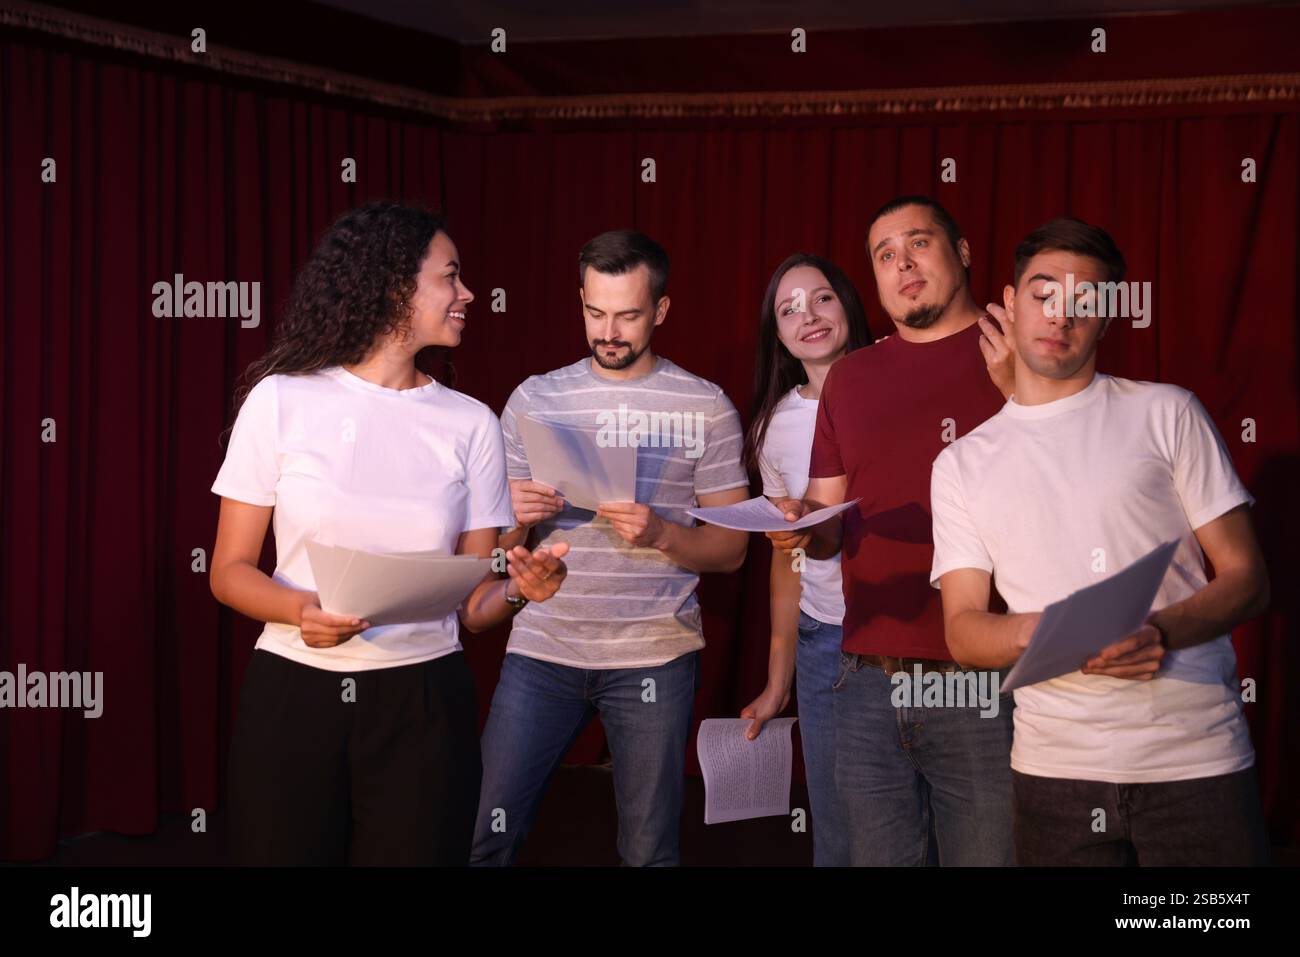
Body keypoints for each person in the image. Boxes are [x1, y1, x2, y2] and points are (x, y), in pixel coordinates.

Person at [209, 201, 569, 866]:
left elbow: (473, 607)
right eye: (451, 277)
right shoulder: (282, 399)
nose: (467, 294)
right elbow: (228, 570)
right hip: (294, 691)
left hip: (426, 701)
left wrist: (524, 591)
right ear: (392, 285)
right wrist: (299, 611)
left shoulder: (471, 423)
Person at [930, 217, 1271, 865]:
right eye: (1043, 293)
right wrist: (1053, 630)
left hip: (1194, 758)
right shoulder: (962, 463)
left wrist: (1159, 631)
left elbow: (1247, 578)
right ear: (1009, 302)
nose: (1061, 314)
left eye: (1086, 301)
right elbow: (964, 630)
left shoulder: (1167, 412)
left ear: (1108, 318)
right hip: (1054, 770)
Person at [471, 229, 750, 867]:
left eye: (627, 314)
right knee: (486, 834)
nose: (610, 331)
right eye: (596, 313)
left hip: (654, 655)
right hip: (543, 648)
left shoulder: (705, 406)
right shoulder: (534, 398)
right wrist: (515, 521)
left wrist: (660, 534)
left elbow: (732, 550)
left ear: (662, 310)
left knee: (649, 852)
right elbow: (494, 548)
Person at [767, 196, 1017, 866]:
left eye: (919, 244)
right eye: (884, 254)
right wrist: (798, 528)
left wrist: (1024, 390)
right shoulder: (851, 378)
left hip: (982, 681)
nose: (902, 263)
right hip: (868, 680)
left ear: (962, 252)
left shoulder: (1015, 352)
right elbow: (827, 521)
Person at [740, 253, 873, 867]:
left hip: (922, 641)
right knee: (838, 828)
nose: (808, 317)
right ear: (777, 335)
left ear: (847, 302)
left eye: (820, 298)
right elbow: (784, 563)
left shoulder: (899, 386)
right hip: (827, 641)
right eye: (788, 310)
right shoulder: (775, 426)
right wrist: (777, 682)